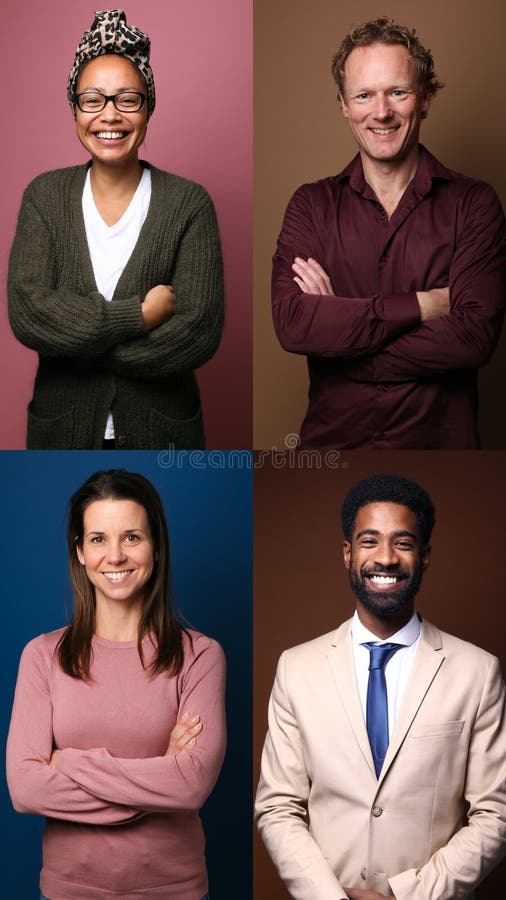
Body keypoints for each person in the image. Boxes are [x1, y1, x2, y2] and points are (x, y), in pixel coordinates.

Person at [255, 474, 506, 899]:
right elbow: (277, 806)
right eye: (369, 541)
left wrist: (407, 895)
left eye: (403, 543)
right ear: (347, 553)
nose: (386, 558)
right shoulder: (296, 668)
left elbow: (496, 814)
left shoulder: (477, 672)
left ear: (424, 556)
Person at [271, 17, 506, 449]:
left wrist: (342, 339)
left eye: (398, 92)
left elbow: (473, 339)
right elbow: (293, 326)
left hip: (441, 456)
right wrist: (423, 305)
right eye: (363, 95)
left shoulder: (474, 204)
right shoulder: (311, 206)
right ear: (344, 105)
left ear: (426, 97)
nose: (381, 112)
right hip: (331, 455)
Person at [8, 9, 224, 449]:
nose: (110, 115)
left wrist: (81, 349)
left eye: (127, 99)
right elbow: (29, 313)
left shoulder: (189, 203)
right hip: (61, 433)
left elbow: (197, 333)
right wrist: (138, 316)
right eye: (93, 100)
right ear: (75, 109)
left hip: (162, 435)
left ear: (148, 108)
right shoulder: (44, 197)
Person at [6, 469, 226, 900]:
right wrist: (158, 775)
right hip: (68, 890)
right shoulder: (41, 656)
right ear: (80, 552)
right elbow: (26, 789)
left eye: (131, 537)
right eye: (98, 539)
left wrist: (67, 762)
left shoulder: (201, 655)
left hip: (173, 890)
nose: (115, 556)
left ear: (156, 547)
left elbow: (191, 785)